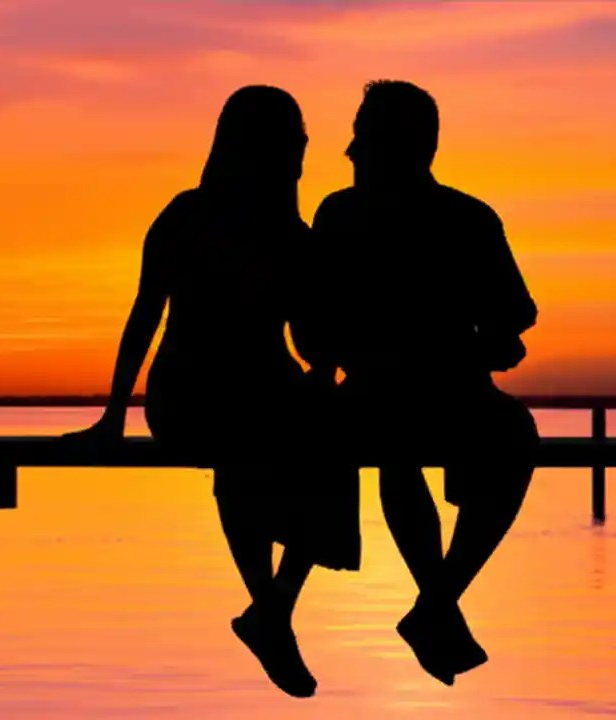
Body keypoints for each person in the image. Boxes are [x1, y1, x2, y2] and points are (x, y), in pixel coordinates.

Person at [63, 85, 360, 699]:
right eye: (295, 143)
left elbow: (311, 340)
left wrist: (329, 368)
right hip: (190, 393)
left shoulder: (291, 234)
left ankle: (273, 610)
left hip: (266, 388)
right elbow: (145, 315)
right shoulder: (187, 215)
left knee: (329, 439)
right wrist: (114, 416)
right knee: (248, 440)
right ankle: (270, 611)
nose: (303, 153)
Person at [300, 80, 539, 686]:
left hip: (429, 394)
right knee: (407, 443)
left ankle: (435, 601)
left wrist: (481, 344)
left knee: (496, 436)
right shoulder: (460, 216)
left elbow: (514, 315)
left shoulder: (442, 217)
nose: (349, 153)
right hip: (408, 397)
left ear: (397, 145)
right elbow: (514, 319)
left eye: (360, 138)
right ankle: (436, 604)